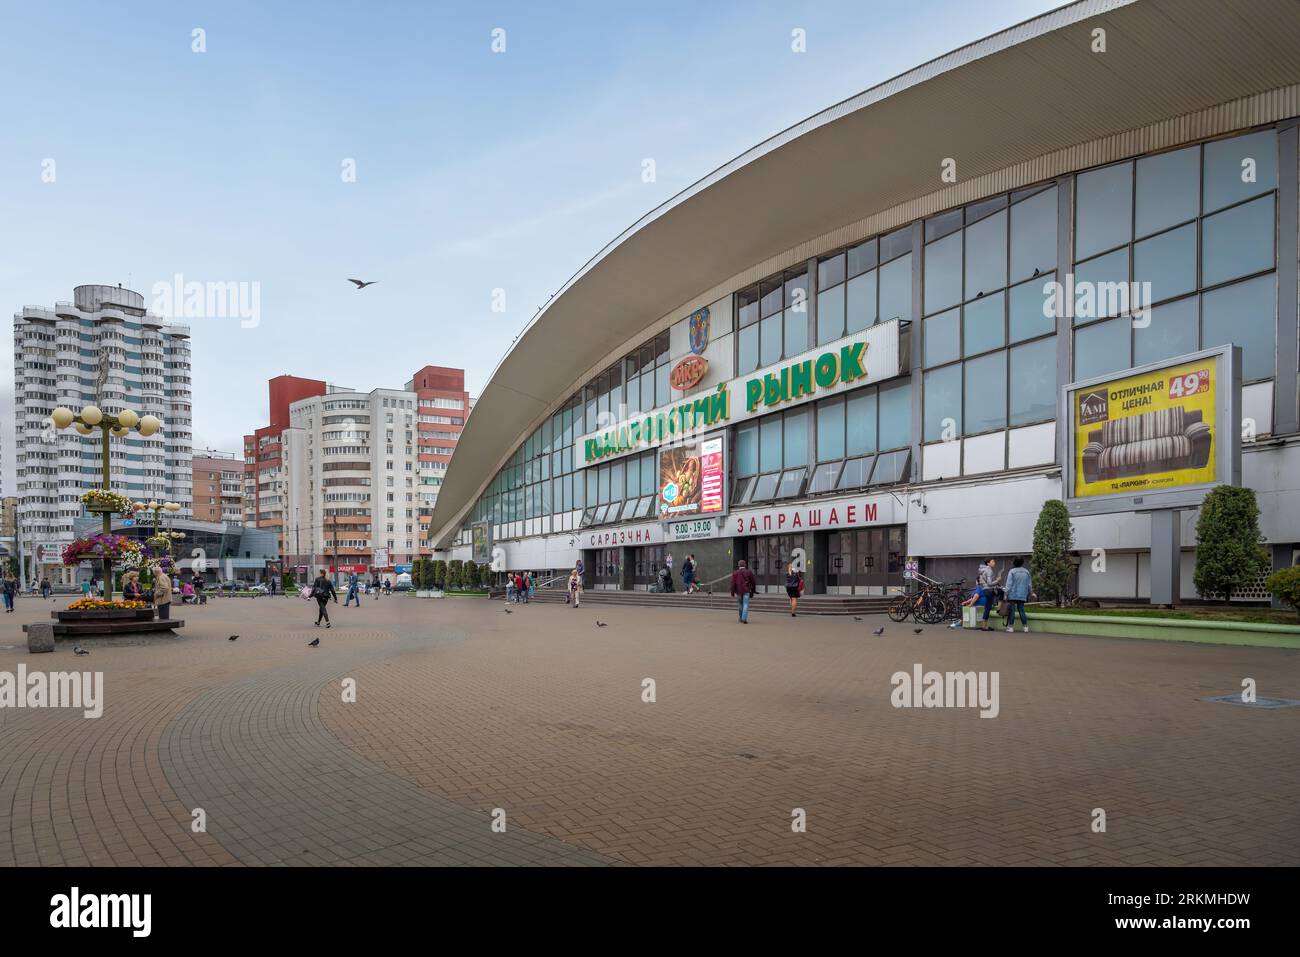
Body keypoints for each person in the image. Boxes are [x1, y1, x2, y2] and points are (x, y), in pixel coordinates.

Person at [1003, 557, 1035, 633]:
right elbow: (1029, 584)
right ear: (1022, 563)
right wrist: (1031, 592)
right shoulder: (1026, 572)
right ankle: (1025, 627)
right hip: (1022, 594)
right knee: (1022, 610)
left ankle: (1011, 627)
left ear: (1014, 563)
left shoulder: (1012, 571)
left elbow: (1009, 584)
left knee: (1012, 611)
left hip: (1012, 594)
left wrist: (1006, 594)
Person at [976, 558, 1001, 632]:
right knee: (1002, 593)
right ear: (988, 563)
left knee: (987, 606)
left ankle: (984, 625)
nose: (994, 563)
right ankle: (999, 608)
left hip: (985, 590)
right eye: (992, 561)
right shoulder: (989, 570)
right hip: (989, 590)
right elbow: (989, 583)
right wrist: (997, 580)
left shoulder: (984, 570)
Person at [730, 559, 757, 624]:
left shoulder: (735, 573)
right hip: (746, 590)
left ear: (738, 565)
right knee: (745, 604)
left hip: (738, 591)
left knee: (740, 604)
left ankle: (741, 617)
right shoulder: (749, 572)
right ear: (745, 565)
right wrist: (753, 591)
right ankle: (744, 618)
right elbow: (753, 582)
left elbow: (733, 583)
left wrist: (732, 592)